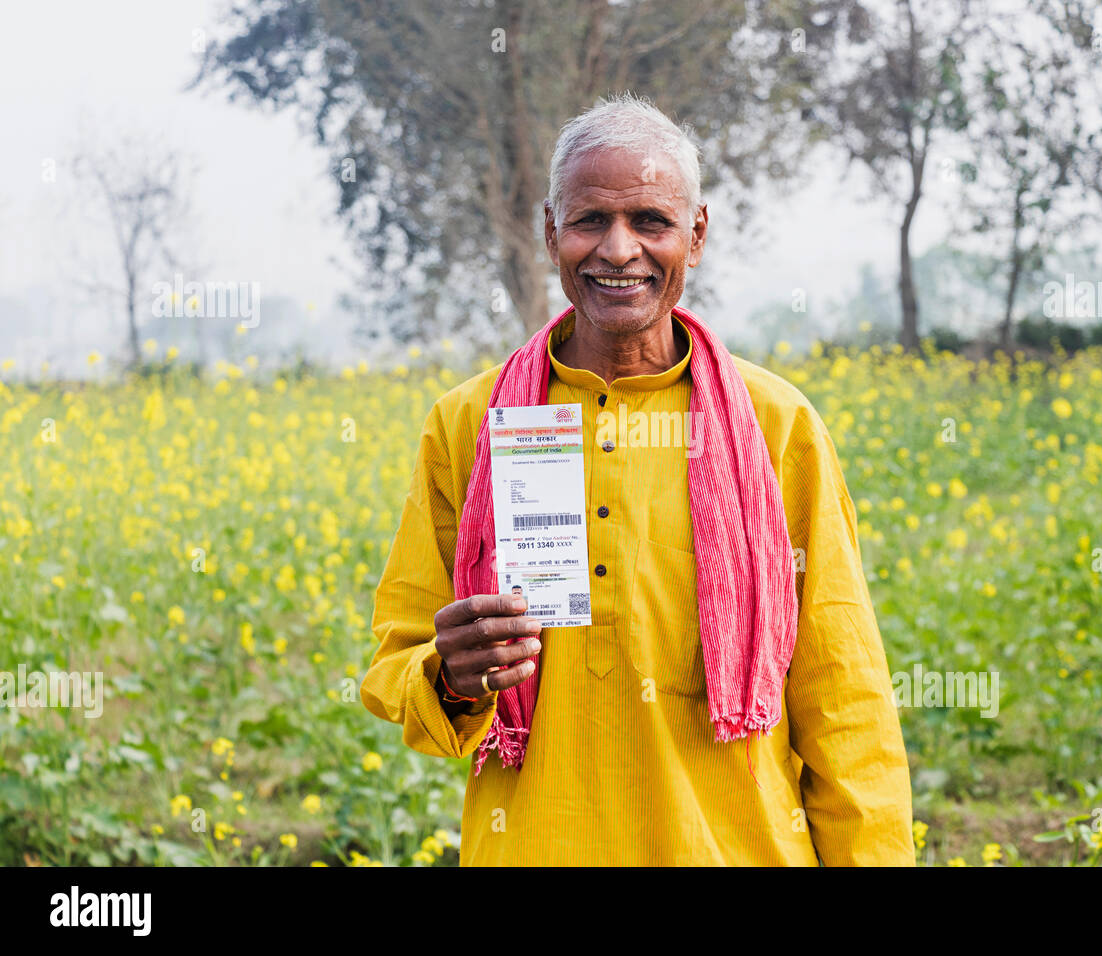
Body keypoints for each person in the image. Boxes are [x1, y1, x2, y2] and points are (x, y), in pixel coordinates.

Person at [361, 92, 913, 865]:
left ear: (697, 234)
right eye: (590, 220)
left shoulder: (777, 427)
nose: (619, 249)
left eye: (650, 221)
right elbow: (399, 663)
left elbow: (844, 698)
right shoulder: (469, 424)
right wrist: (453, 680)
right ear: (551, 231)